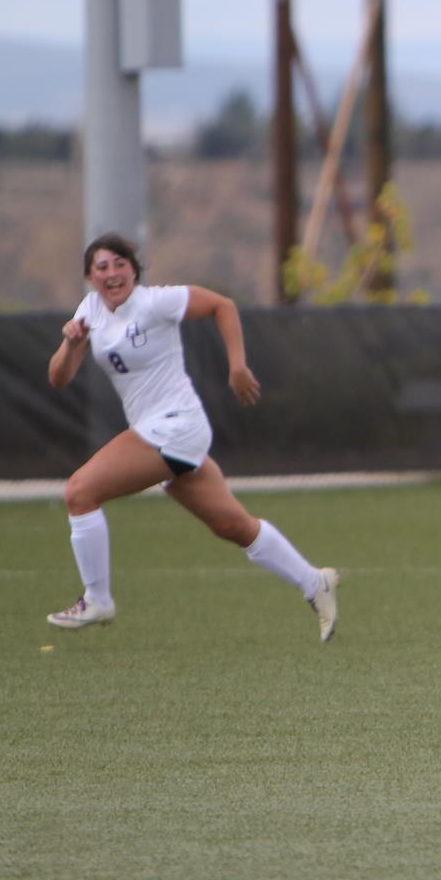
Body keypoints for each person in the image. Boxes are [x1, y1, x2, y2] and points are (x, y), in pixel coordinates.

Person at [45, 233, 339, 640]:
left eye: (119, 263)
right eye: (102, 267)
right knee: (233, 525)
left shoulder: (154, 302)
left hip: (175, 424)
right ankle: (315, 583)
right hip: (159, 430)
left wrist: (237, 367)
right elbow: (59, 378)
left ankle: (97, 599)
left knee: (80, 492)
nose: (112, 273)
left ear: (134, 269)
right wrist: (69, 342)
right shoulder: (90, 311)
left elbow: (223, 306)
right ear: (90, 277)